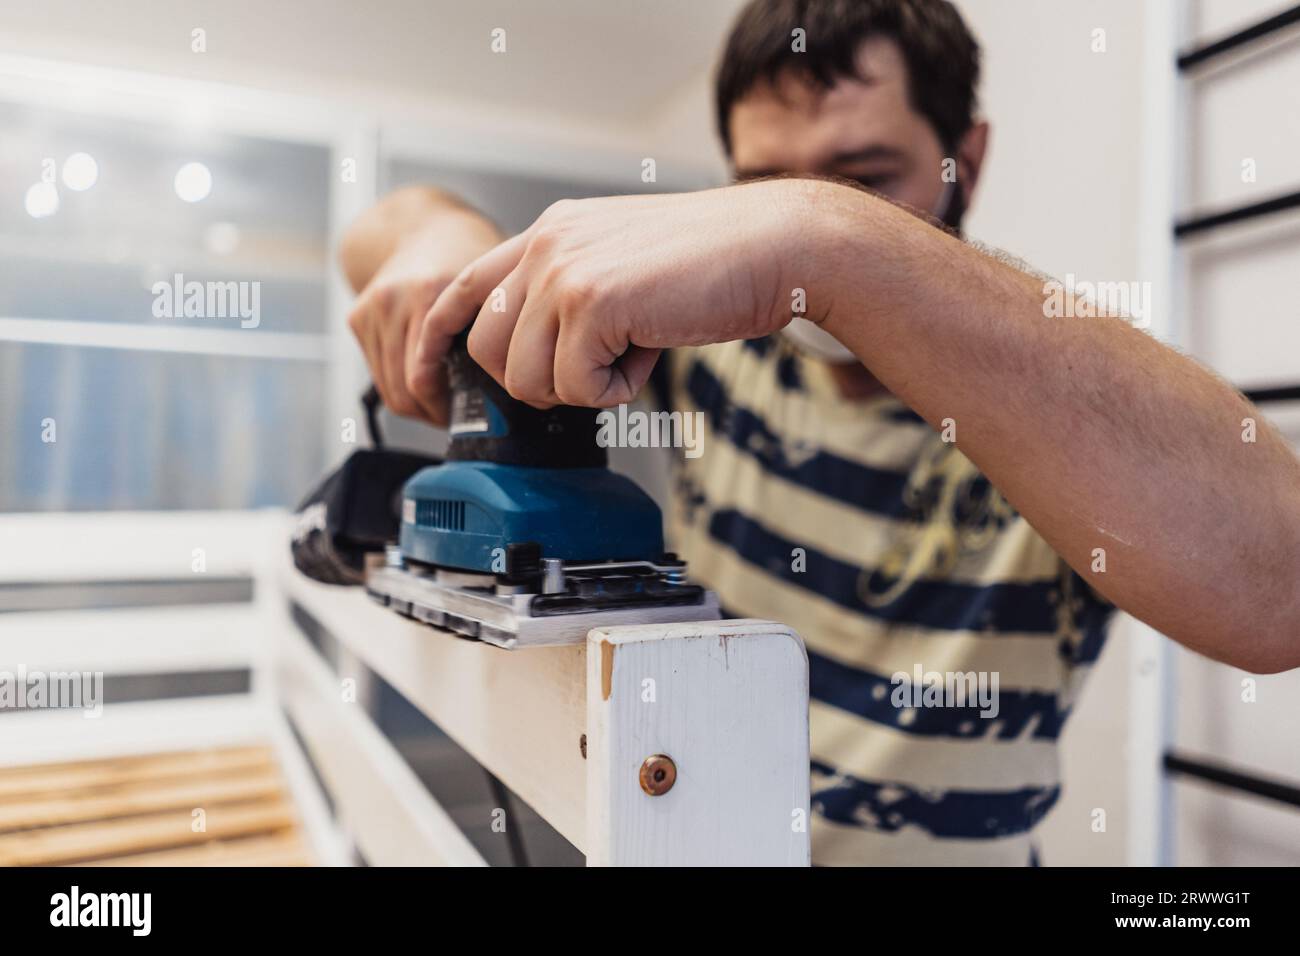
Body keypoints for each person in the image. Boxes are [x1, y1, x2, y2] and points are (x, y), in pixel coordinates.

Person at [339, 0, 1300, 865]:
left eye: (863, 180)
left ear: (970, 154)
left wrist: (829, 243)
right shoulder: (717, 353)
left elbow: (1281, 589)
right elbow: (377, 231)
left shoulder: (1043, 391)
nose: (788, 239)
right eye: (763, 190)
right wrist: (441, 236)